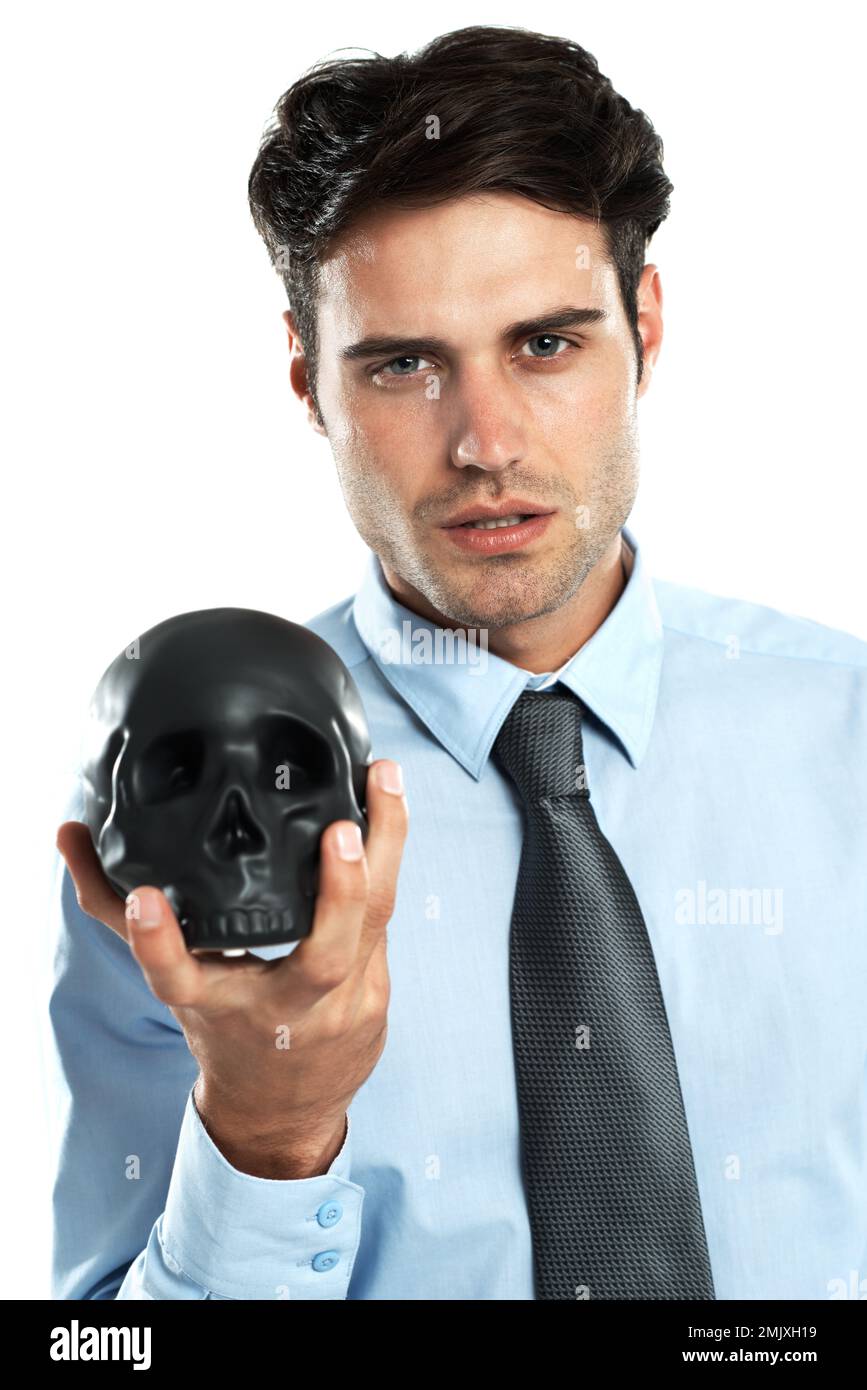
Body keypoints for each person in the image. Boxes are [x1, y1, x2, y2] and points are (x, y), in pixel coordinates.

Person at [48, 24, 867, 1302]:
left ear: (644, 325)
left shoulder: (848, 736)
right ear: (306, 379)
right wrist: (266, 1141)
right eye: (404, 364)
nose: (484, 440)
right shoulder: (187, 811)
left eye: (545, 344)